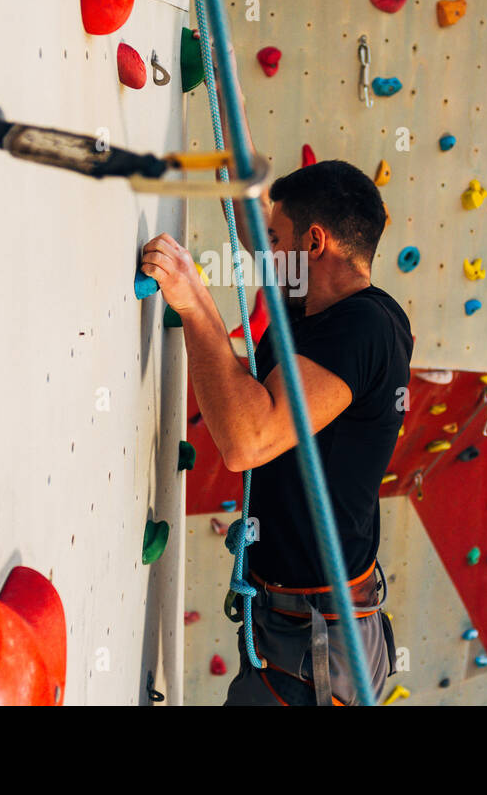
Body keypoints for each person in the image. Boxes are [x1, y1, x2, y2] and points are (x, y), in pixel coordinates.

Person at [140, 158, 413, 705]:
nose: (265, 249)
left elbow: (248, 440)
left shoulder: (364, 327)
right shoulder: (310, 306)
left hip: (318, 646)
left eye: (278, 238)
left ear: (315, 243)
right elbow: (255, 223)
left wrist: (195, 304)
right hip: (300, 630)